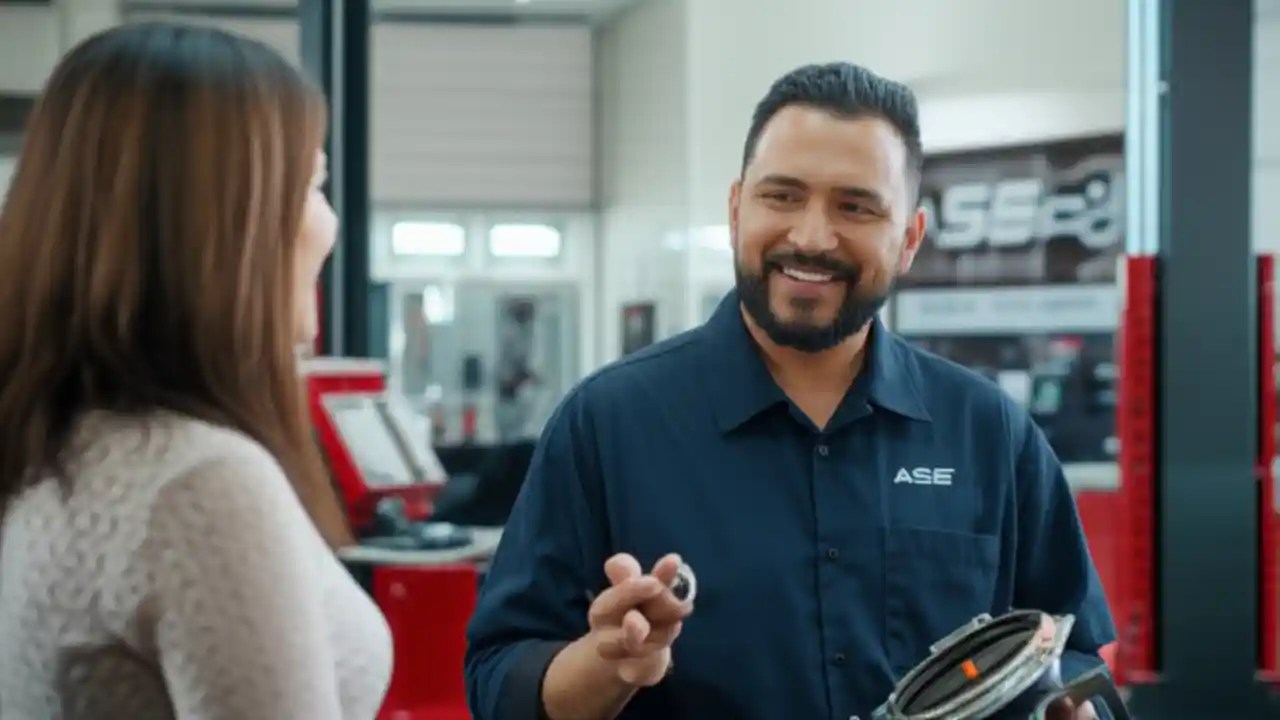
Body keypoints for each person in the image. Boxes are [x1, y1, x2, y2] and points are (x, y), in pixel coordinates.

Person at [464, 62, 1116, 720]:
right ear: (735, 208)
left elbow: (1077, 659)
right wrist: (609, 666)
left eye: (855, 206)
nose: (810, 236)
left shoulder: (990, 434)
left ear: (910, 238)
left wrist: (1072, 705)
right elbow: (498, 681)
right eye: (782, 197)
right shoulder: (607, 425)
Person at [0, 23, 392, 719]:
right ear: (223, 225)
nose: (328, 224)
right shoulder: (195, 483)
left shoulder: (74, 454)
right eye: (313, 185)